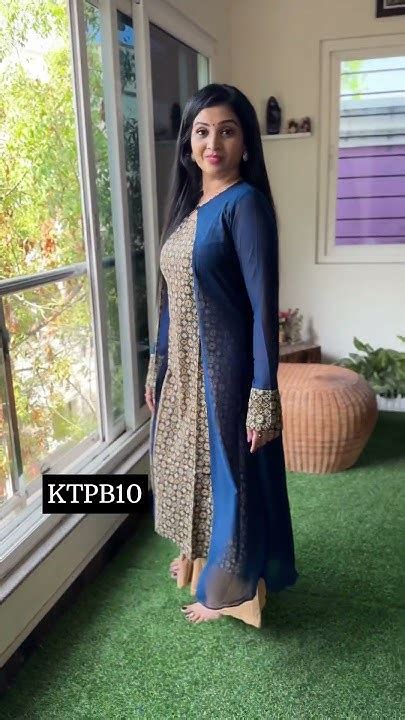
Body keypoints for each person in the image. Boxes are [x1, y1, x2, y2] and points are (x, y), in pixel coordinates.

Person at [145, 83, 298, 627]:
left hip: (225, 369)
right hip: (183, 370)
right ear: (189, 144)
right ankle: (200, 557)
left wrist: (264, 393)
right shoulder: (191, 208)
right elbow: (170, 298)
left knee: (230, 477)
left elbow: (262, 309)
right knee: (187, 467)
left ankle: (231, 588)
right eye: (202, 131)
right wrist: (158, 366)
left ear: (245, 143)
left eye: (227, 131)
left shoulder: (245, 205)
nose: (213, 144)